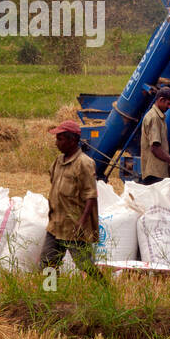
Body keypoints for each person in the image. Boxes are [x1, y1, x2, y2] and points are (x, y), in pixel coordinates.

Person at [40, 120, 103, 280]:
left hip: (74, 226)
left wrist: (81, 222)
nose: (56, 143)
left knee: (85, 265)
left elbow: (91, 195)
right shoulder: (58, 162)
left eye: (60, 139)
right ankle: (50, 292)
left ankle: (105, 291)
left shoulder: (84, 163)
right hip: (55, 224)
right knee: (48, 262)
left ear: (72, 140)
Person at [140, 86, 170, 184]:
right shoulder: (154, 118)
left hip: (157, 171)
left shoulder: (158, 117)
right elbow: (155, 148)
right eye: (168, 103)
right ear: (161, 100)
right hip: (154, 172)